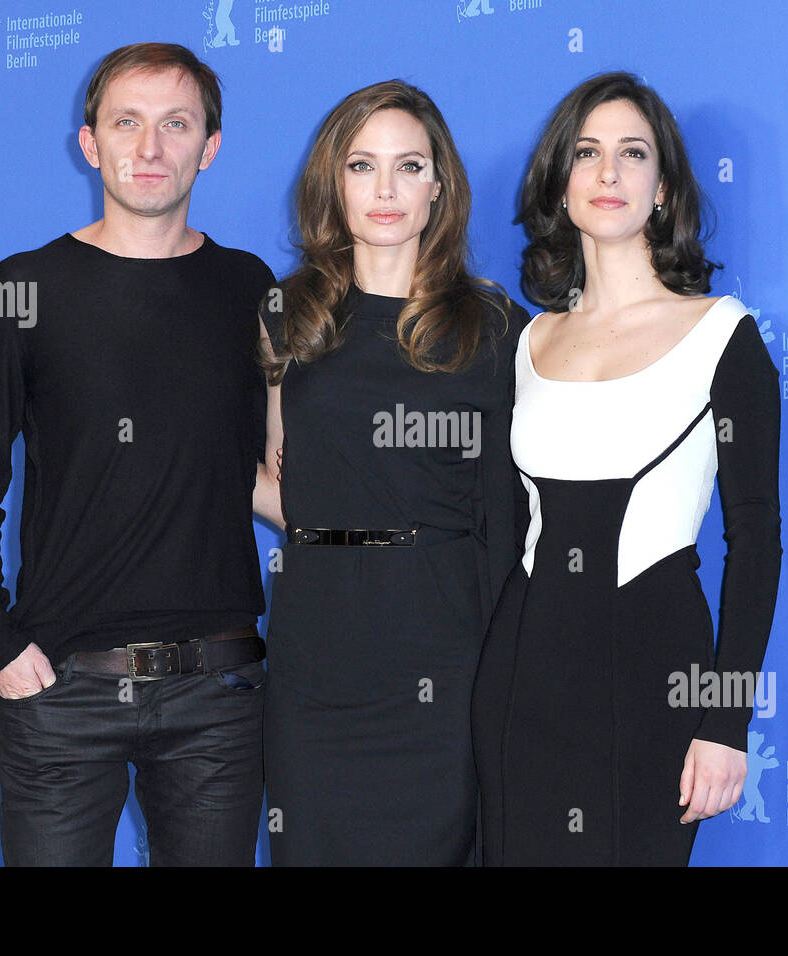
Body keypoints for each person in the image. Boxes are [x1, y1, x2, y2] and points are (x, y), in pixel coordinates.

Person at [0, 42, 274, 866]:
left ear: (211, 146)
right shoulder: (21, 288)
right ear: (91, 142)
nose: (150, 148)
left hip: (218, 691)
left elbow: (280, 475)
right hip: (63, 686)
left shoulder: (249, 288)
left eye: (176, 124)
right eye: (128, 122)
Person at [471, 72, 782, 866]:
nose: (608, 174)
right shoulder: (526, 342)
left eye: (632, 154)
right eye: (587, 153)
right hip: (521, 681)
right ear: (561, 184)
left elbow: (757, 543)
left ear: (663, 187)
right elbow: (503, 534)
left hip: (655, 679)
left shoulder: (723, 336)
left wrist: (725, 722)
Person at [253, 80, 528, 865]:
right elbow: (281, 483)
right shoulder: (287, 314)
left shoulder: (494, 325)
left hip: (446, 653)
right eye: (361, 166)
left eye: (408, 167)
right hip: (317, 655)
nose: (384, 190)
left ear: (439, 186)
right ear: (331, 183)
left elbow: (521, 506)